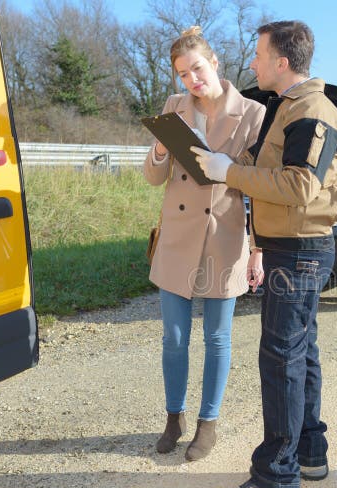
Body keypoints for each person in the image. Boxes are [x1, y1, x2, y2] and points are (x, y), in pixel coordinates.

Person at [191, 20, 337, 488]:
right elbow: (282, 179)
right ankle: (308, 453)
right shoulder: (290, 108)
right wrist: (226, 164)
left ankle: (276, 478)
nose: (253, 63)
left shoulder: (313, 112)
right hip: (290, 247)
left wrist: (230, 173)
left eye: (259, 55)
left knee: (281, 358)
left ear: (283, 61)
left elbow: (300, 186)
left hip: (299, 252)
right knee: (299, 352)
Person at [143, 26, 265, 462]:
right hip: (177, 238)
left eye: (197, 68)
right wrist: (160, 150)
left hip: (225, 236)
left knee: (217, 337)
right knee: (174, 337)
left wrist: (258, 249)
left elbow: (258, 188)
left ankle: (207, 424)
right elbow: (155, 177)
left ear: (213, 62)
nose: (192, 80)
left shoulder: (252, 112)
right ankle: (173, 419)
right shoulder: (174, 107)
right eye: (183, 74)